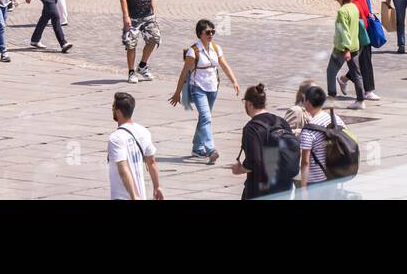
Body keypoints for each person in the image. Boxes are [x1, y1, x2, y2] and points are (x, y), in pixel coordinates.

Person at [169, 19, 240, 162]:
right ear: (200, 34)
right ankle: (210, 149)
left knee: (204, 118)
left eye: (213, 31)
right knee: (206, 117)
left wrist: (234, 81)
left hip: (213, 87)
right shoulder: (193, 51)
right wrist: (177, 93)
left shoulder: (216, 48)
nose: (211, 34)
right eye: (208, 32)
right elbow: (184, 73)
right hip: (198, 88)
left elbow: (224, 65)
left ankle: (197, 148)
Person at [232, 83, 299, 200]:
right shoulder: (281, 121)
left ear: (249, 104)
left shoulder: (252, 128)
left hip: (261, 189)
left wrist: (239, 169)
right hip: (284, 186)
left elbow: (254, 161)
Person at [108, 92, 163, 200]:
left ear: (118, 112)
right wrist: (157, 187)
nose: (112, 110)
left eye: (113, 107)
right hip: (141, 196)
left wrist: (133, 196)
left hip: (122, 196)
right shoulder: (143, 131)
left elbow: (123, 168)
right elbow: (151, 162)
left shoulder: (116, 138)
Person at [297, 84, 348, 198]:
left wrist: (304, 188)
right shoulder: (335, 119)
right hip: (332, 176)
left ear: (308, 103)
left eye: (304, 99)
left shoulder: (309, 130)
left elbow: (305, 162)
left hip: (315, 181)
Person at [118, 0, 159, 84]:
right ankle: (131, 72)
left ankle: (142, 66)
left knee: (154, 38)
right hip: (133, 17)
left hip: (147, 15)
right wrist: (126, 16)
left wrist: (153, 8)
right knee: (131, 44)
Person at [339, 0, 380, 101]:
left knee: (364, 61)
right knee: (360, 62)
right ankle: (367, 91)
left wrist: (371, 16)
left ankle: (344, 79)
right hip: (355, 34)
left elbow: (368, 12)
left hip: (365, 32)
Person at [326, 0, 365, 109]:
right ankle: (360, 101)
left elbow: (344, 31)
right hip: (355, 45)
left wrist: (346, 49)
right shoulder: (353, 7)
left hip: (342, 48)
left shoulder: (342, 11)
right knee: (356, 73)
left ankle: (331, 97)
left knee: (331, 72)